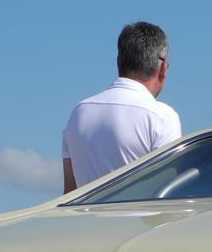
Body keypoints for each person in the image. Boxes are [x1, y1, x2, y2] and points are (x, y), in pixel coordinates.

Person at [62, 22, 181, 193]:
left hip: (87, 220)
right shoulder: (161, 117)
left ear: (119, 61)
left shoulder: (79, 113)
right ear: (162, 67)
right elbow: (167, 192)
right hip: (136, 219)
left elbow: (68, 194)